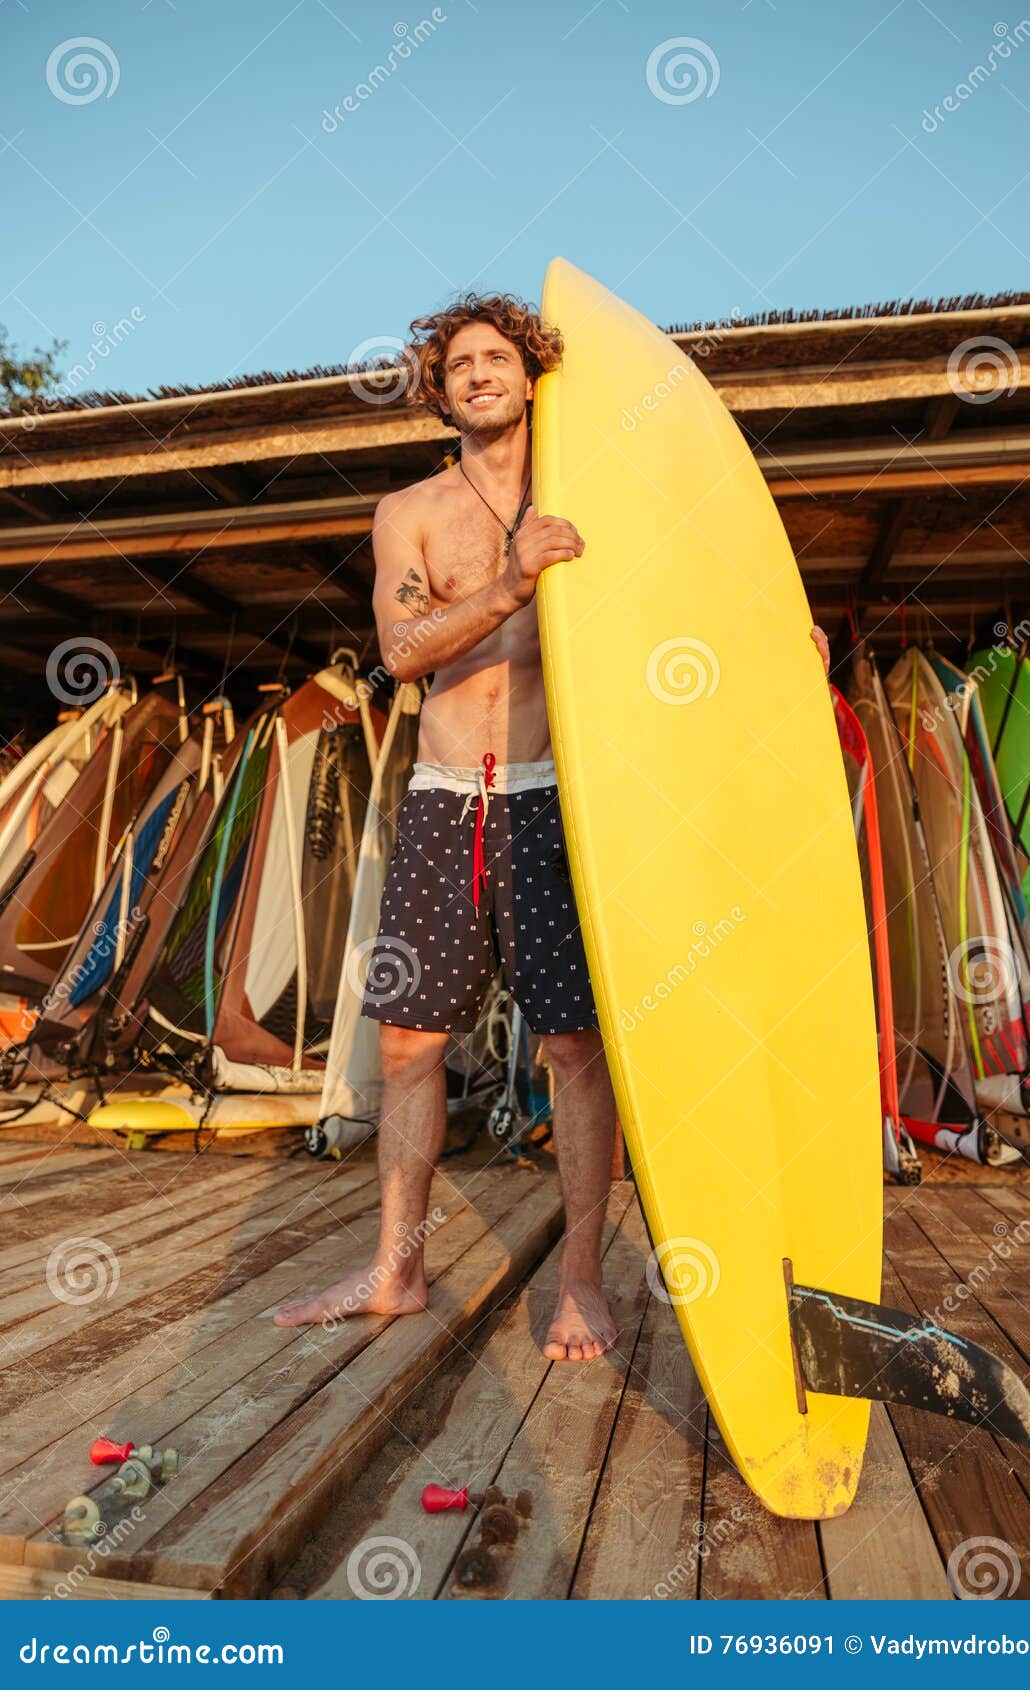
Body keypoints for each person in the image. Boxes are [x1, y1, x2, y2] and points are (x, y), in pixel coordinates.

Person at [275, 293, 831, 1359]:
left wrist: (771, 638)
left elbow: (688, 600)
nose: (477, 373)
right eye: (458, 363)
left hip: (553, 800)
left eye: (497, 357)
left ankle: (578, 1274)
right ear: (438, 391)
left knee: (574, 1048)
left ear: (530, 375)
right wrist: (511, 580)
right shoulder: (410, 512)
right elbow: (400, 650)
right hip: (444, 801)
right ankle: (397, 1263)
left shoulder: (595, 502)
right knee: (404, 1044)